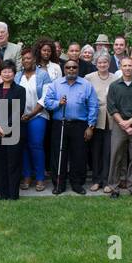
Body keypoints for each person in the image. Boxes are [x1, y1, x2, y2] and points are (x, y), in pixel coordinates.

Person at [42, 59, 99, 195]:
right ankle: (59, 184)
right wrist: (58, 103)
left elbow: (93, 106)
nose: (71, 70)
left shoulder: (86, 85)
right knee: (59, 154)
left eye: (74, 67)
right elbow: (47, 102)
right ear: (64, 69)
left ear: (78, 69)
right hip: (60, 124)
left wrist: (90, 126)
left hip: (80, 125)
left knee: (78, 155)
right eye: (68, 67)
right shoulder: (56, 84)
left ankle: (77, 184)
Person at [106, 57, 132, 197]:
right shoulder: (114, 86)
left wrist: (129, 122)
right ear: (120, 67)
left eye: (130, 65)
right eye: (125, 65)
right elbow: (112, 107)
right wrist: (123, 124)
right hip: (119, 124)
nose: (128, 68)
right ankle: (114, 187)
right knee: (116, 155)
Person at [0, 60, 27, 199]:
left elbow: (18, 111)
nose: (7, 73)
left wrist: (5, 127)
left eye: (9, 71)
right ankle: (4, 194)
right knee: (1, 163)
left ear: (14, 73)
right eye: (4, 71)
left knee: (13, 163)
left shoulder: (20, 90)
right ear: (0, 73)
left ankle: (13, 194)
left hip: (14, 131)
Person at [16, 47, 51, 191]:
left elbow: (45, 97)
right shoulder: (18, 75)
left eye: (28, 58)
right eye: (23, 59)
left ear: (35, 59)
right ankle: (26, 176)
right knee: (23, 146)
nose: (26, 61)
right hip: (20, 117)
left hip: (38, 115)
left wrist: (31, 114)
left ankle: (40, 178)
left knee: (36, 145)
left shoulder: (43, 75)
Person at [86, 52, 116, 191]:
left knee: (108, 151)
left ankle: (107, 181)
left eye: (105, 62)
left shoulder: (115, 78)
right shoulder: (89, 78)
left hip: (111, 119)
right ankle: (96, 180)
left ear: (109, 63)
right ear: (95, 63)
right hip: (95, 118)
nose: (102, 65)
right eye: (99, 62)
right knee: (96, 151)